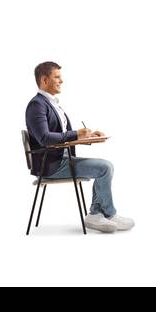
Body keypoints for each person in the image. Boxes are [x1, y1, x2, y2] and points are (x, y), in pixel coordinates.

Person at [24, 61, 134, 233]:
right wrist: (76, 134)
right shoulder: (37, 105)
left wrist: (87, 135)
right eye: (57, 77)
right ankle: (104, 214)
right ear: (44, 80)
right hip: (51, 165)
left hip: (62, 158)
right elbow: (45, 138)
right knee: (105, 167)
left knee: (104, 166)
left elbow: (62, 136)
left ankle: (97, 213)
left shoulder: (53, 104)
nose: (62, 81)